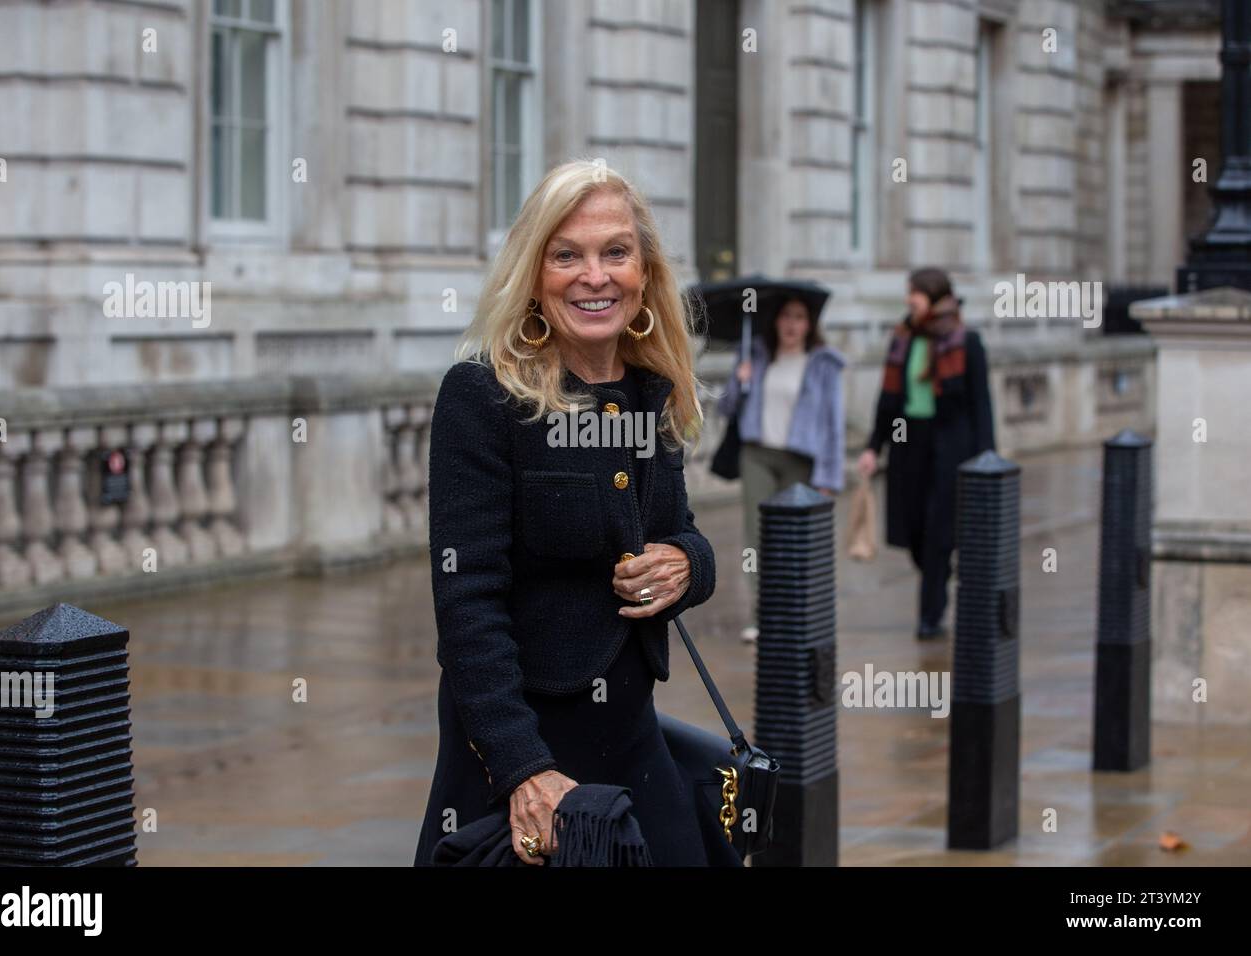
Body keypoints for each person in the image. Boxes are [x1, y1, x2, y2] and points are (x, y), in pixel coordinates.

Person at [413, 159, 735, 867]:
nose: (596, 275)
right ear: (534, 273)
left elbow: (681, 533)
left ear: (644, 272)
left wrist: (688, 565)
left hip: (632, 734)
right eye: (568, 255)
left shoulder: (651, 389)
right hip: (525, 751)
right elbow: (466, 601)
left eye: (616, 252)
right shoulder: (482, 397)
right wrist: (523, 770)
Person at [857, 267, 995, 639]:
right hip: (908, 444)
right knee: (913, 528)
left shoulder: (966, 341)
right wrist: (873, 447)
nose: (908, 300)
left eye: (914, 293)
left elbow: (981, 405)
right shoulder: (904, 338)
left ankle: (929, 616)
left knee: (937, 531)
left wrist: (987, 457)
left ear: (934, 297)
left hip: (951, 446)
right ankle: (937, 572)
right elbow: (887, 401)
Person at [717, 297, 846, 642]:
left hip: (801, 461)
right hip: (757, 455)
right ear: (775, 321)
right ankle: (761, 614)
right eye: (786, 316)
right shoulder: (755, 355)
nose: (791, 325)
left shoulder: (824, 364)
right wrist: (740, 382)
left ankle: (795, 610)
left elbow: (834, 424)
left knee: (795, 537)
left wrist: (829, 479)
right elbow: (726, 408)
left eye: (799, 318)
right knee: (756, 537)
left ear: (809, 324)